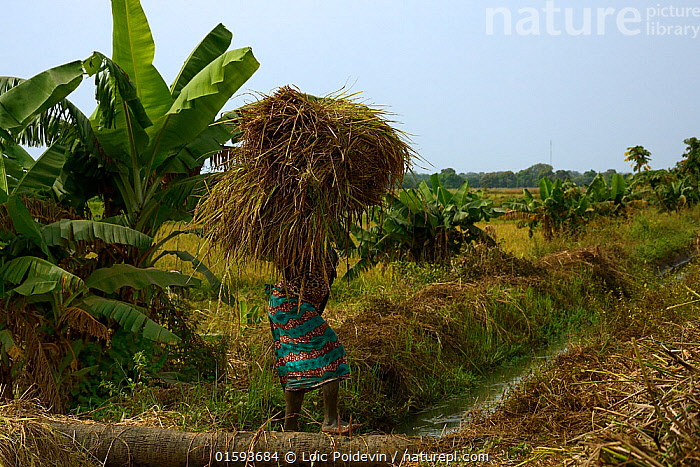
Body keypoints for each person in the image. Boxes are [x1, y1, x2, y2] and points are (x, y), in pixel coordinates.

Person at [266, 249, 358, 433]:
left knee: (296, 361)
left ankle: (290, 427)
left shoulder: (329, 262)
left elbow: (322, 300)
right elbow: (282, 261)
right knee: (331, 350)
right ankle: (330, 421)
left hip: (292, 306)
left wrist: (313, 321)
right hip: (288, 303)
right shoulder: (300, 252)